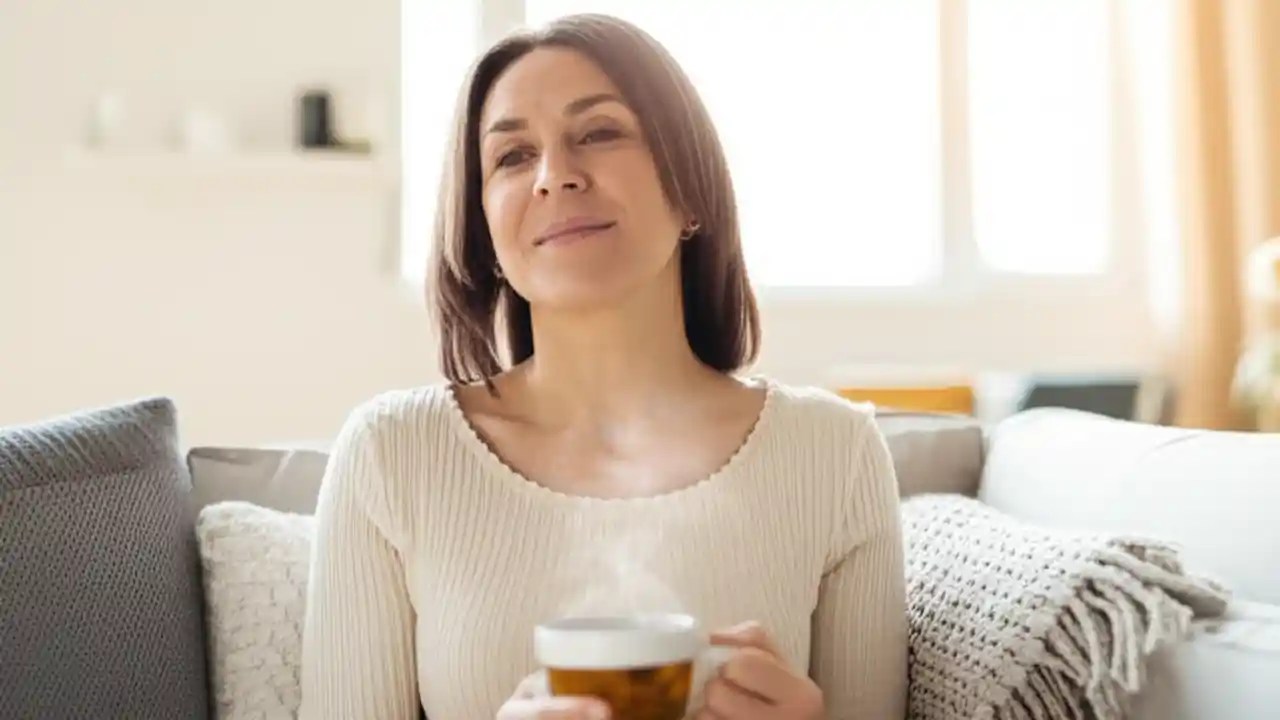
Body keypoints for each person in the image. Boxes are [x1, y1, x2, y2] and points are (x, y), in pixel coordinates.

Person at [299, 12, 907, 720]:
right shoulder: (390, 454)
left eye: (598, 133)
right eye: (512, 157)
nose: (555, 177)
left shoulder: (836, 455)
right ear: (486, 229)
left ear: (689, 187)